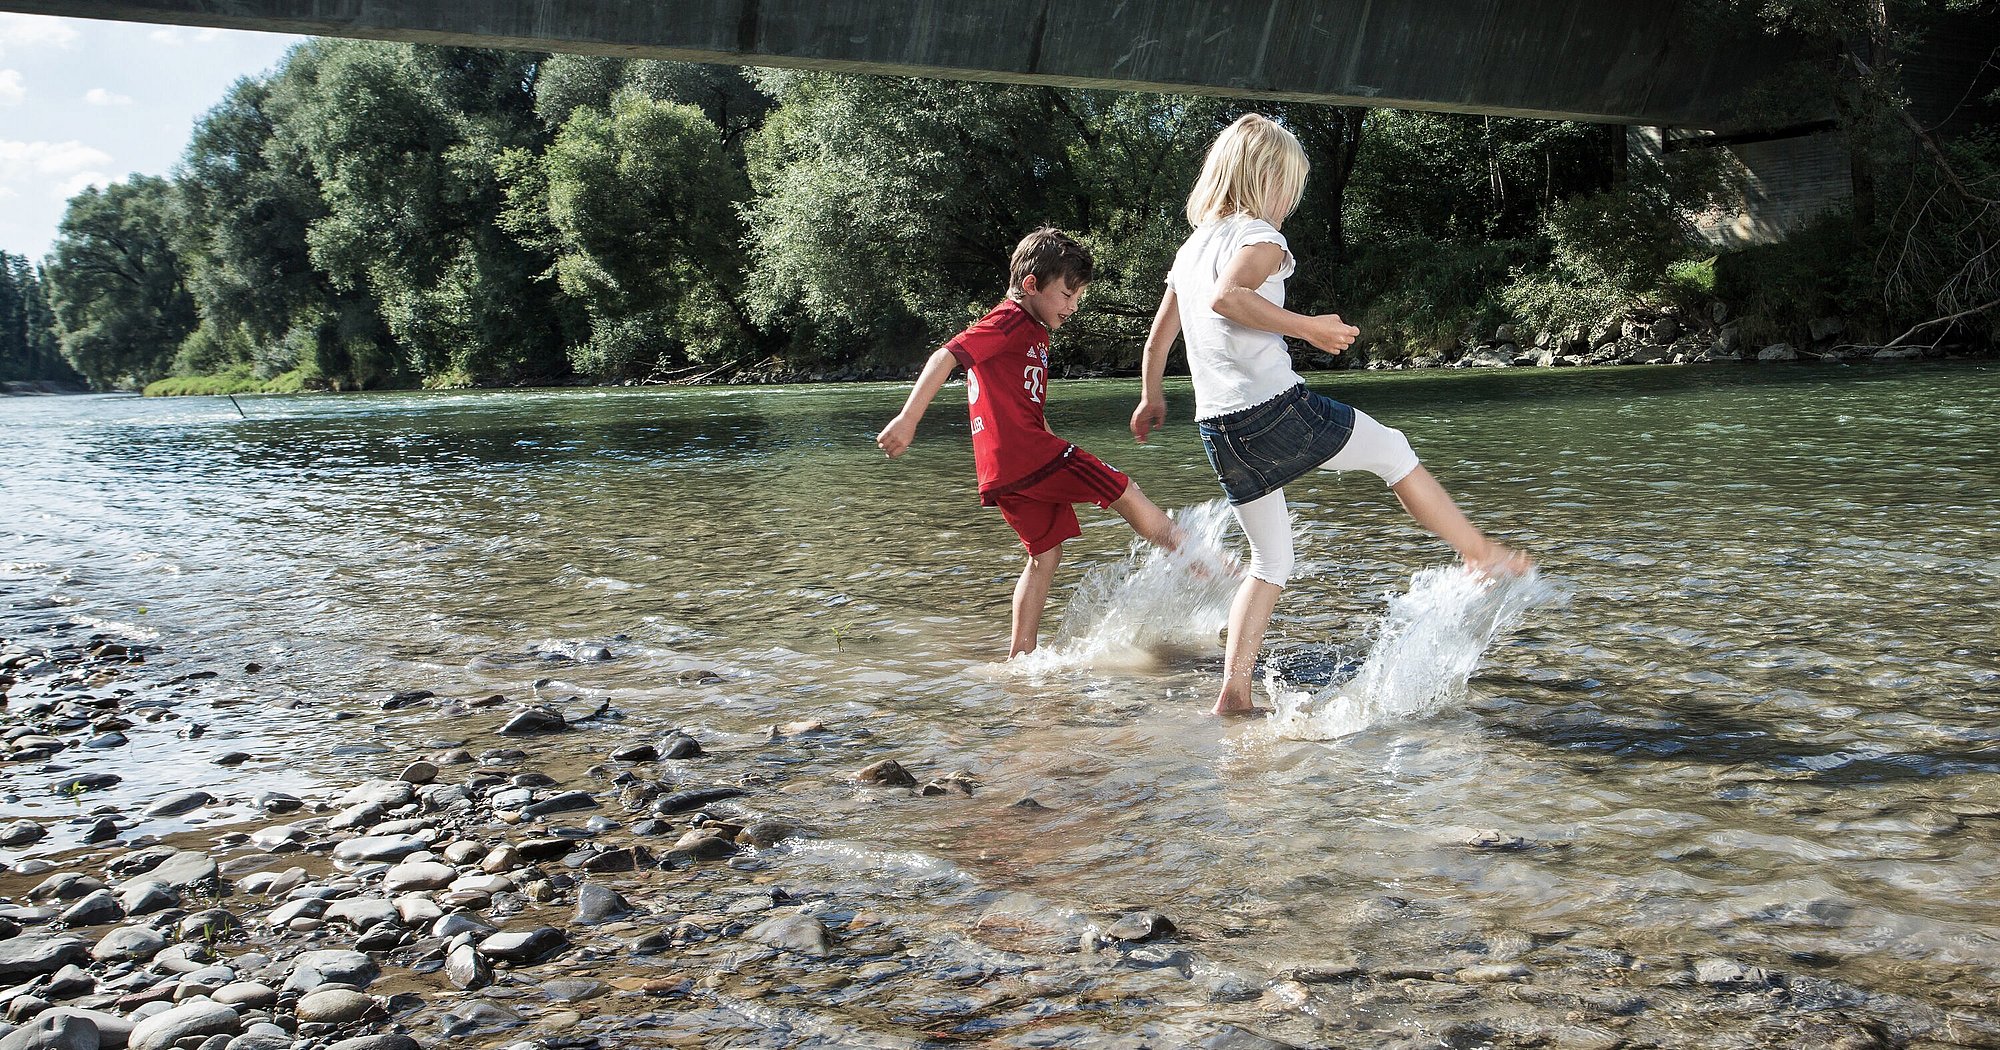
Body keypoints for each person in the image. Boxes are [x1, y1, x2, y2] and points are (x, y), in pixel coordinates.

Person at [1130, 114, 1533, 716]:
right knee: (1393, 449)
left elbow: (1157, 343)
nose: (1292, 199)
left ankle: (1234, 693)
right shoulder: (1261, 238)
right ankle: (1477, 551)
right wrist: (1308, 329)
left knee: (1271, 562)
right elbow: (1228, 299)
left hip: (1219, 428)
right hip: (1274, 410)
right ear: (1267, 178)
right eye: (1290, 184)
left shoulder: (1189, 250)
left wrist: (1151, 397)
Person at [880, 227, 1193, 658]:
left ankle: (1020, 659)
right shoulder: (1008, 321)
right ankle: (1197, 561)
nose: (1072, 307)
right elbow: (946, 356)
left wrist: (1045, 434)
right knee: (1125, 490)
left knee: (1045, 556)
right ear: (1031, 285)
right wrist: (908, 418)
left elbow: (1023, 405)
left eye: (1077, 298)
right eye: (1067, 294)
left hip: (1005, 470)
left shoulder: (1033, 330)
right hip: (1028, 457)